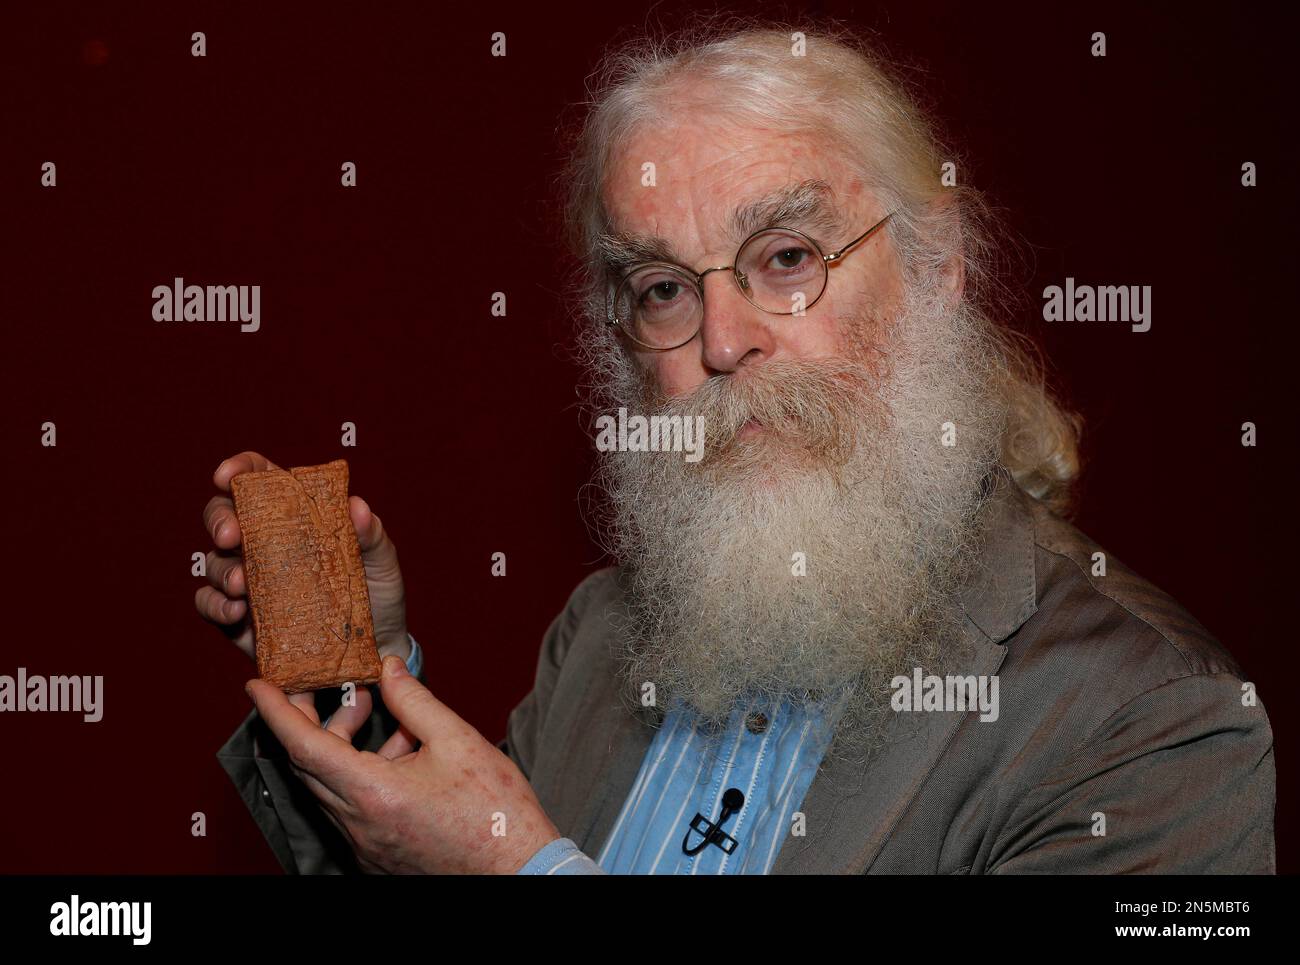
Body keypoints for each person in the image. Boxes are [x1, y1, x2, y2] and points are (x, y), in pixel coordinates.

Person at [197, 22, 1275, 874]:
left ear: (937, 267)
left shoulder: (1149, 719)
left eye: (786, 255)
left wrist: (517, 867)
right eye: (663, 288)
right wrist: (357, 666)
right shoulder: (601, 638)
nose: (721, 339)